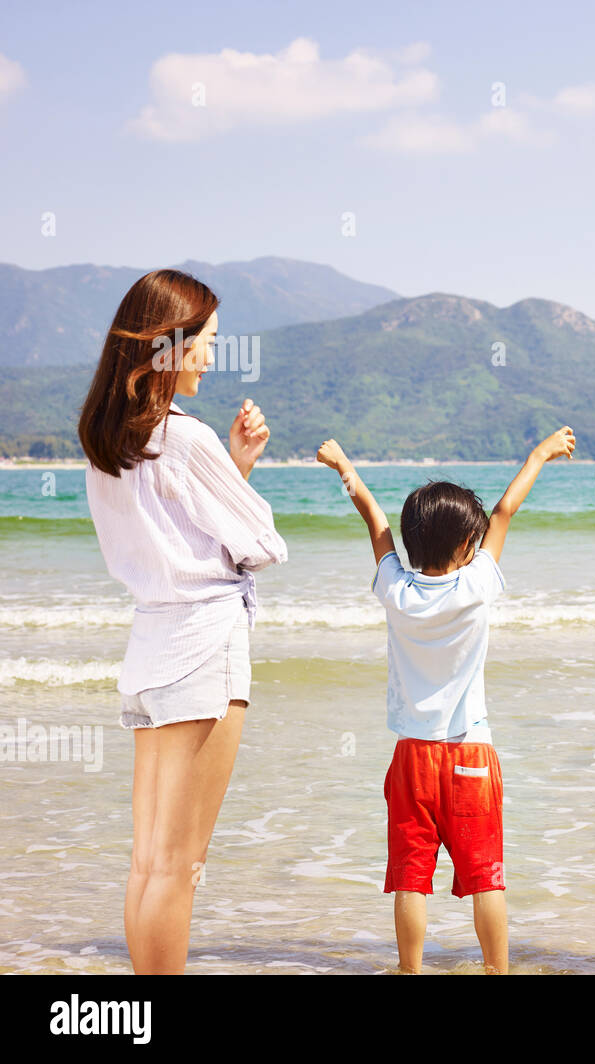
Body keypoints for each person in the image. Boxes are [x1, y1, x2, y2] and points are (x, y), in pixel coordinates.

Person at [79, 268, 286, 974]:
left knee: (149, 864)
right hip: (203, 649)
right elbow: (262, 542)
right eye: (206, 343)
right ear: (170, 345)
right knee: (180, 867)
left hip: (149, 648)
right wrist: (234, 475)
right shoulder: (187, 440)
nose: (209, 357)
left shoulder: (109, 447)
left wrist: (232, 471)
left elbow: (167, 539)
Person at [316, 427, 576, 974]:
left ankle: (410, 971)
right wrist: (539, 455)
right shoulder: (476, 585)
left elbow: (375, 520)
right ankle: (496, 971)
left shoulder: (397, 591)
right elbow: (504, 511)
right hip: (470, 755)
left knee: (411, 878)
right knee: (486, 876)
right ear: (466, 548)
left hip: (412, 757)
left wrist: (344, 466)